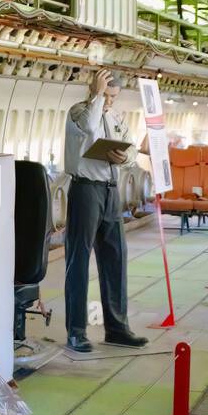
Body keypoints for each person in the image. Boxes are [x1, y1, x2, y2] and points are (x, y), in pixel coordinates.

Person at [62, 69, 149, 353]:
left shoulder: (115, 117)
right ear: (97, 89)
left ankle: (117, 328)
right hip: (86, 190)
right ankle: (76, 332)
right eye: (107, 95)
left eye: (114, 96)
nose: (111, 101)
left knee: (115, 258)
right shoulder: (79, 112)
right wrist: (97, 96)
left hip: (111, 190)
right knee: (78, 260)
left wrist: (126, 158)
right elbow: (89, 129)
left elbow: (132, 148)